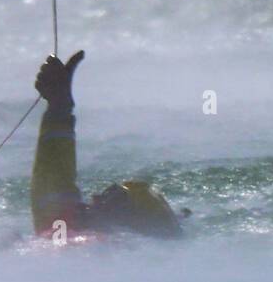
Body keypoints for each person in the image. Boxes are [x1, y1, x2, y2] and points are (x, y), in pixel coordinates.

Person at [29, 51, 184, 239]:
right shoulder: (88, 242)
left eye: (114, 201)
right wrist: (59, 109)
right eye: (107, 195)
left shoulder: (94, 246)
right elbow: (54, 196)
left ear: (127, 223)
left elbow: (52, 203)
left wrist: (59, 108)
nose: (95, 199)